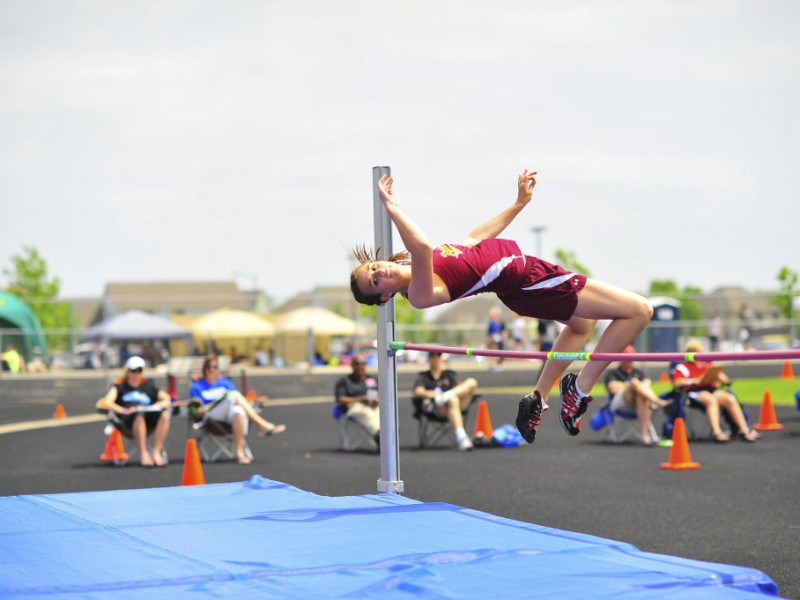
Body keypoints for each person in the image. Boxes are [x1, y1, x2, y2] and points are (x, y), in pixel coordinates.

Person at [350, 169, 653, 444]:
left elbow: (476, 239)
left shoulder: (436, 258)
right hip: (528, 281)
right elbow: (421, 247)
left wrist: (519, 203)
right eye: (374, 282)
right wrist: (391, 206)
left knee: (581, 325)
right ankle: (581, 387)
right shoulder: (420, 293)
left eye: (374, 268)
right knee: (639, 311)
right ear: (385, 297)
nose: (379, 273)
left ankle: (539, 395)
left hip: (526, 281)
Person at [189, 356, 286, 464]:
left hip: (228, 414)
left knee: (239, 410)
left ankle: (239, 453)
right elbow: (195, 409)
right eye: (209, 367)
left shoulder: (225, 382)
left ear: (218, 369)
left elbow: (234, 402)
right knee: (234, 395)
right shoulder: (197, 386)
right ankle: (261, 425)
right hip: (211, 415)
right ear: (204, 369)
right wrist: (207, 406)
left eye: (215, 367)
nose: (211, 369)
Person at [672, 339, 759, 442]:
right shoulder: (683, 367)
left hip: (710, 388)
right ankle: (717, 432)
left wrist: (720, 376)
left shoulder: (707, 363)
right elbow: (677, 382)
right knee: (711, 399)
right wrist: (694, 380)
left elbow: (724, 380)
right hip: (694, 391)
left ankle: (744, 430)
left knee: (730, 398)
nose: (696, 353)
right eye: (694, 351)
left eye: (698, 351)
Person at [96, 356, 172, 467]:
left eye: (139, 370)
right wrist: (124, 410)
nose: (136, 373)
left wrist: (156, 405)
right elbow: (107, 401)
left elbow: (166, 398)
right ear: (128, 371)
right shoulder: (120, 386)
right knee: (139, 416)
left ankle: (156, 452)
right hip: (129, 421)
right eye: (133, 370)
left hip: (149, 417)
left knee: (165, 415)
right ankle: (144, 454)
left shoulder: (147, 386)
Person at [604, 345, 669, 446]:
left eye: (631, 357)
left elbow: (647, 384)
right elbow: (613, 388)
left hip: (638, 405)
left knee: (640, 395)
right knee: (634, 383)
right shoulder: (613, 373)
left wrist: (634, 387)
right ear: (621, 358)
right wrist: (631, 386)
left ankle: (645, 436)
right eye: (627, 357)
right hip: (620, 405)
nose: (630, 360)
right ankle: (658, 401)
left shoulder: (639, 372)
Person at [413, 352, 479, 451]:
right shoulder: (424, 377)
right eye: (432, 356)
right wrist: (432, 394)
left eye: (438, 355)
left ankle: (445, 396)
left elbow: (459, 389)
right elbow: (418, 391)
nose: (435, 358)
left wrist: (444, 396)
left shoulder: (448, 375)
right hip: (438, 409)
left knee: (472, 382)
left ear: (441, 358)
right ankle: (462, 437)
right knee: (453, 400)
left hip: (455, 404)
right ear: (429, 359)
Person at [333, 353, 380, 444]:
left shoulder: (372, 379)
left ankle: (386, 432)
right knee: (366, 413)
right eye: (357, 363)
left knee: (382, 412)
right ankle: (379, 433)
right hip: (353, 406)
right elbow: (341, 400)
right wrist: (361, 399)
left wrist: (376, 401)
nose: (360, 366)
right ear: (352, 365)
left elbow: (380, 395)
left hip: (373, 405)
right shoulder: (345, 381)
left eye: (362, 363)